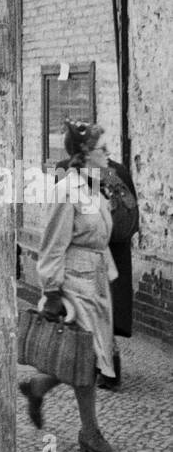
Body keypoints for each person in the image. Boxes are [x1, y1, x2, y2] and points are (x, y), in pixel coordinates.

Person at [19, 120, 121, 452]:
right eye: (101, 149)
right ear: (83, 154)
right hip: (74, 282)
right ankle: (90, 433)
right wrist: (52, 291)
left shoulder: (96, 188)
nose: (107, 154)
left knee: (86, 354)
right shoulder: (67, 192)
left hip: (96, 280)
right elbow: (52, 245)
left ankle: (38, 387)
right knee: (87, 355)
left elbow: (102, 238)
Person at [56, 143, 138, 391]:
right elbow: (133, 212)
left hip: (83, 252)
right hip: (116, 249)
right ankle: (108, 367)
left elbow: (59, 217)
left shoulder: (65, 170)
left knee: (84, 313)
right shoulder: (119, 170)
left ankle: (89, 369)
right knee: (106, 311)